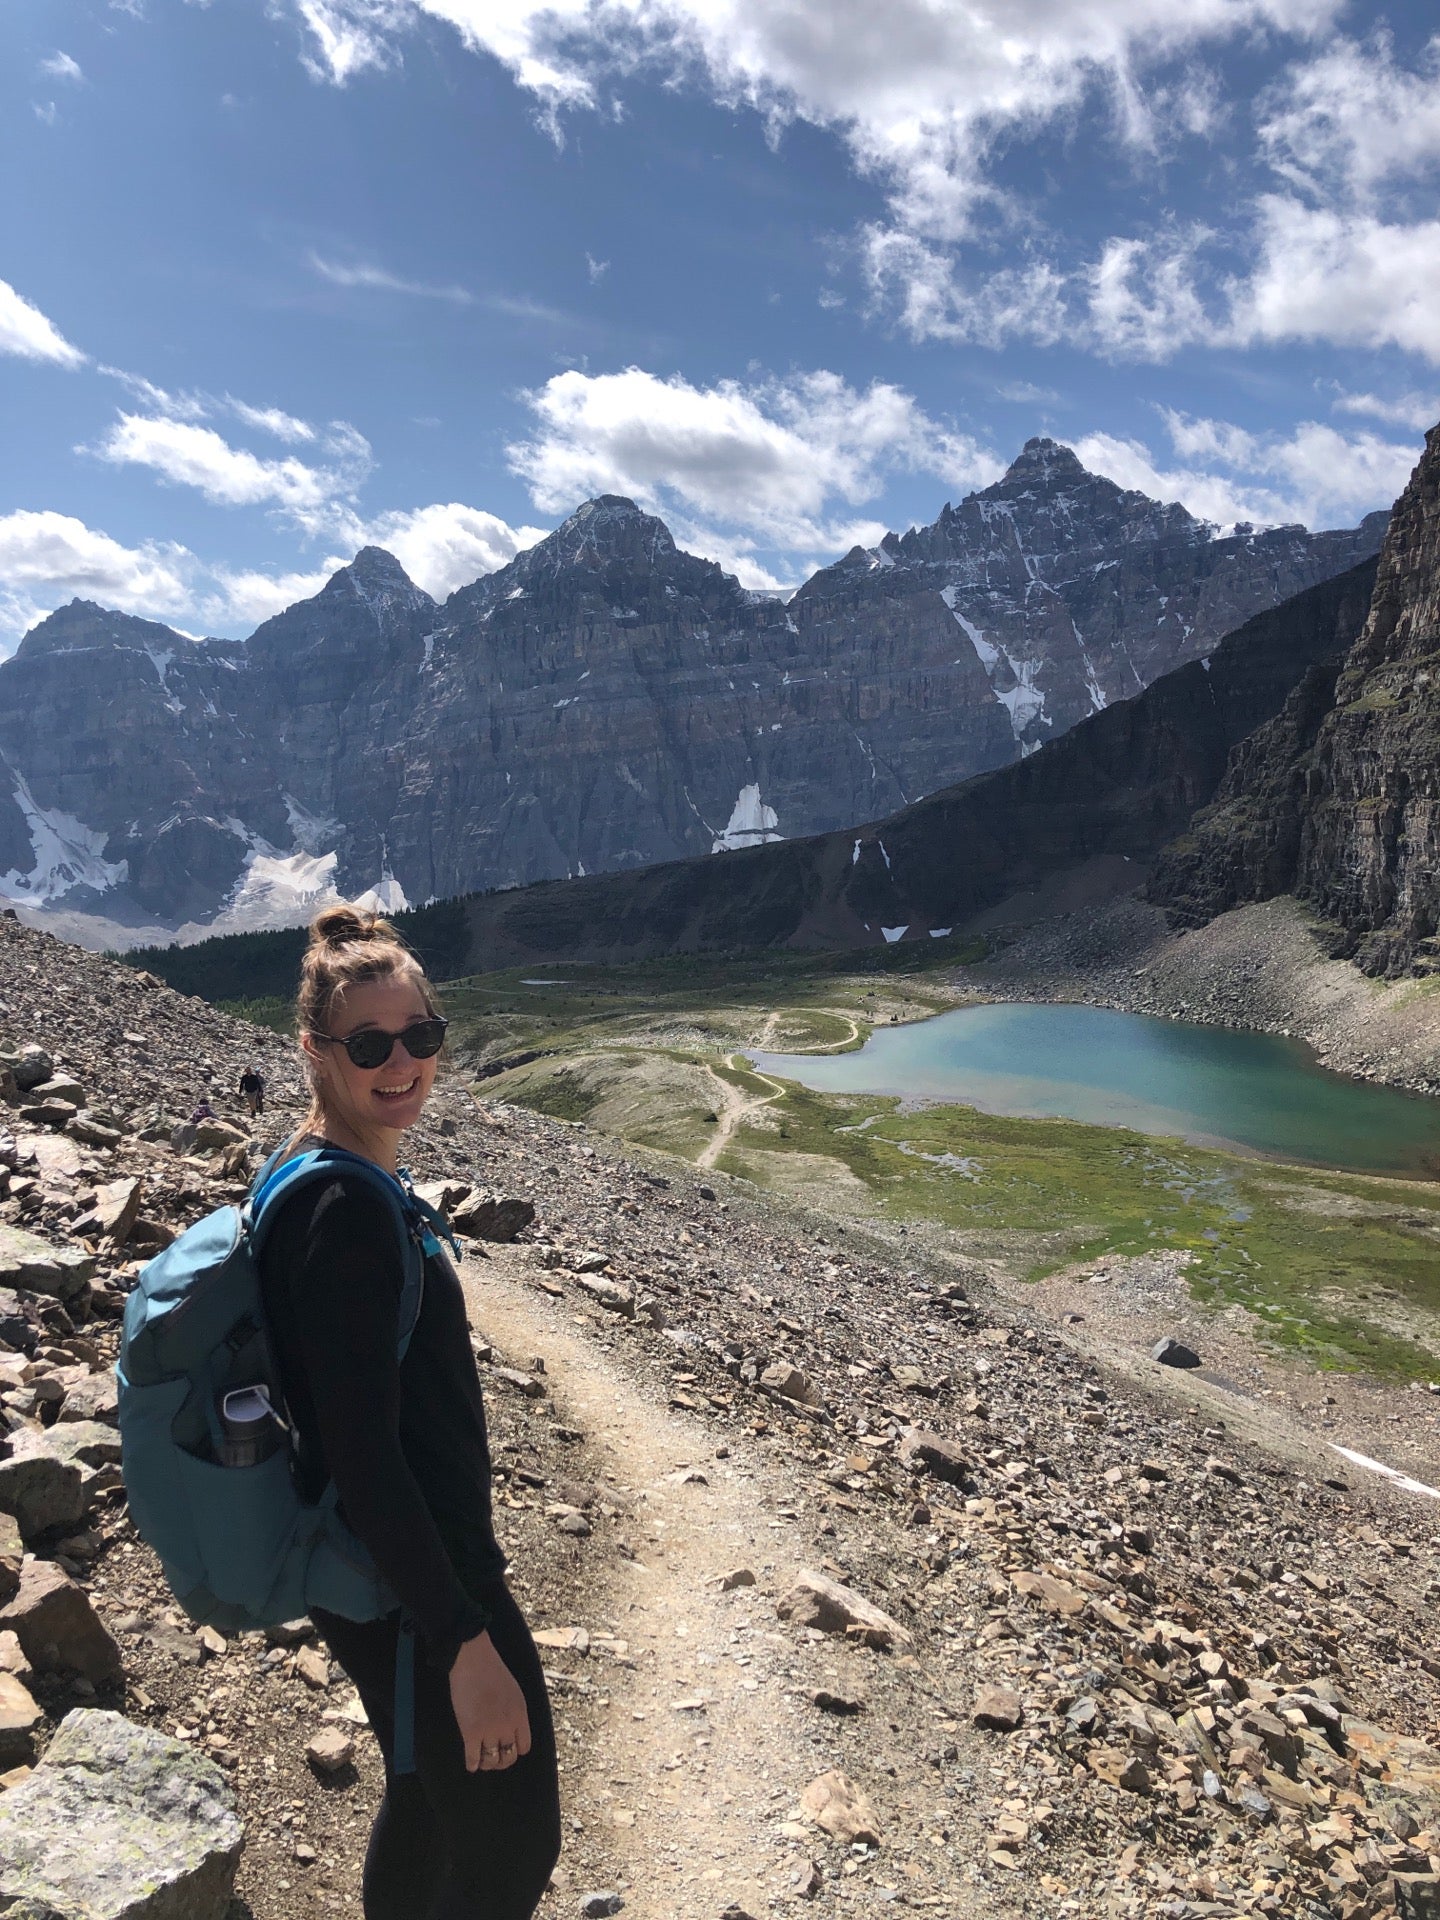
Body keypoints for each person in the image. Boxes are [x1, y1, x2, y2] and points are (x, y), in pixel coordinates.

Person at [257, 904, 560, 1920]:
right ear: (316, 1051)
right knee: (514, 1845)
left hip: (384, 1572)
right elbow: (365, 1455)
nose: (403, 1064)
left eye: (421, 1037)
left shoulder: (328, 1169)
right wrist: (461, 1640)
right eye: (372, 1044)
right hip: (414, 1582)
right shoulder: (342, 1212)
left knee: (429, 1798)